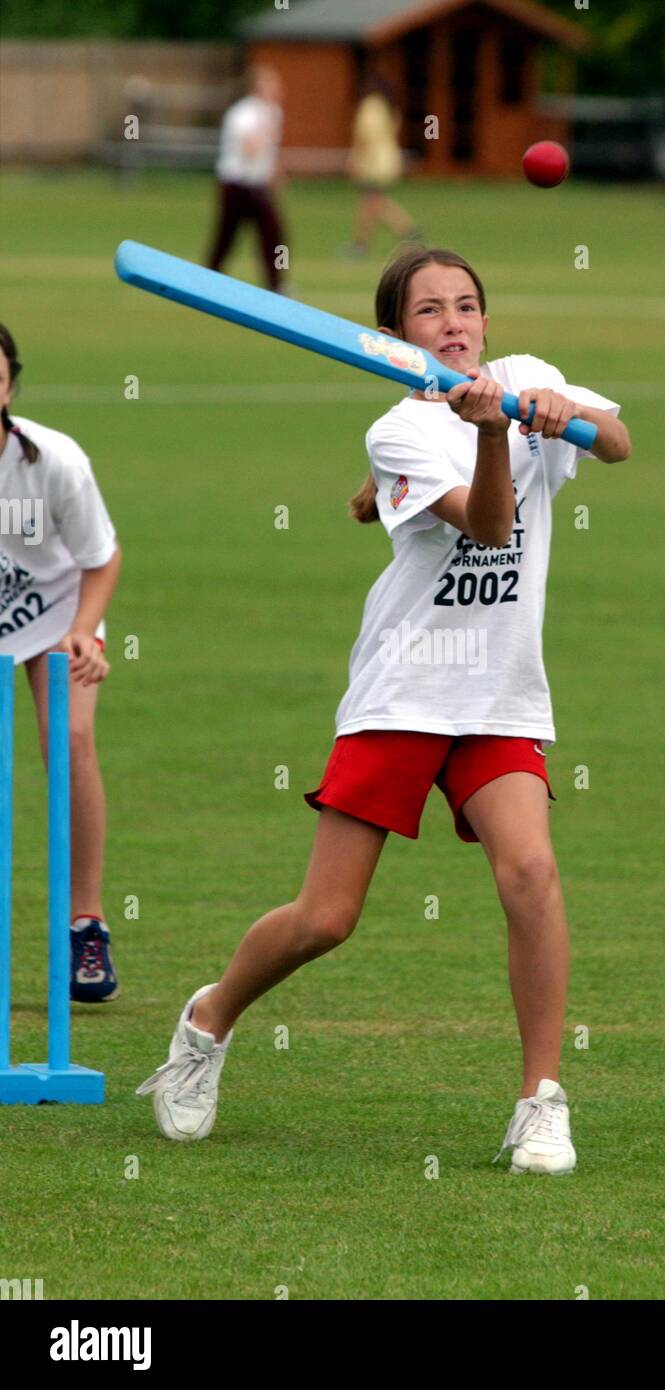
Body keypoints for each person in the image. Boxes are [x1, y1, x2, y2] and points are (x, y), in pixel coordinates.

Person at [137, 246, 630, 1175]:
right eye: (431, 310)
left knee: (532, 875)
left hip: (498, 693)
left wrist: (573, 415)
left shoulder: (525, 380)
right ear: (395, 336)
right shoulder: (399, 434)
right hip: (405, 689)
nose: (454, 322)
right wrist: (496, 436)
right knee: (327, 918)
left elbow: (620, 444)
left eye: (469, 305)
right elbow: (491, 527)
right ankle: (209, 1020)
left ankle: (541, 1100)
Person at [0, 324, 121, 1001]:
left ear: (10, 384)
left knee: (69, 739)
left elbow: (101, 559)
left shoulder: (54, 461)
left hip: (56, 612)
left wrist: (80, 633)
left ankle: (87, 926)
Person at [207, 65, 291, 293]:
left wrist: (276, 174)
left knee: (274, 236)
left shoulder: (273, 112)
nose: (277, 89)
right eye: (272, 84)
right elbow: (249, 149)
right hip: (237, 184)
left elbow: (270, 153)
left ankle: (276, 284)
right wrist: (264, 136)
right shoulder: (242, 114)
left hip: (258, 186)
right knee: (225, 237)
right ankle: (208, 277)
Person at [345, 74, 420, 257]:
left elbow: (366, 135)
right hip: (388, 158)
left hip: (374, 161)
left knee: (374, 202)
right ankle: (361, 243)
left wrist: (356, 158)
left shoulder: (371, 106)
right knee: (370, 203)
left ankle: (408, 230)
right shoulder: (389, 107)